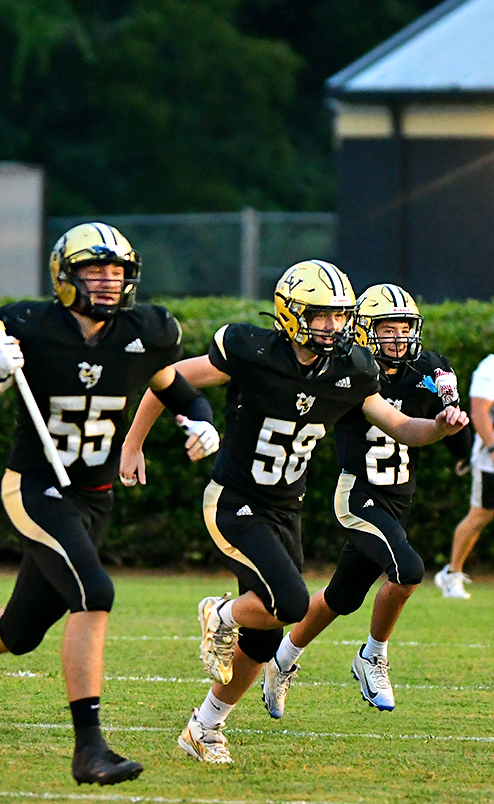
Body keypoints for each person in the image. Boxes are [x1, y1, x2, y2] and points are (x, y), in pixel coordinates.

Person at [0, 222, 219, 786]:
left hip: (93, 498)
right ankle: (89, 749)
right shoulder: (28, 328)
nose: (108, 281)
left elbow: (175, 388)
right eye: (95, 270)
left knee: (20, 632)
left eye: (117, 271)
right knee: (95, 592)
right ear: (64, 277)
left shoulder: (148, 331)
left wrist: (202, 422)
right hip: (35, 488)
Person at [119, 259, 468, 764]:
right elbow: (167, 379)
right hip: (235, 500)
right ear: (290, 313)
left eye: (338, 315)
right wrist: (134, 444)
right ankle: (217, 614)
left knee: (263, 642)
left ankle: (204, 727)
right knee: (291, 601)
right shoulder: (252, 351)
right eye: (319, 315)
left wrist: (439, 427)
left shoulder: (352, 369)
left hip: (286, 510)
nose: (330, 326)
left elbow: (400, 427)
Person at [260, 284, 471, 718]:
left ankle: (280, 660)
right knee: (408, 570)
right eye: (386, 329)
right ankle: (372, 656)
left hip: (398, 499)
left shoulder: (429, 369)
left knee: (343, 597)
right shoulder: (348, 369)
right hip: (358, 495)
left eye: (404, 328)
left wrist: (452, 418)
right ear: (363, 331)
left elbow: (454, 425)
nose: (396, 338)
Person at [435, 352, 494, 599]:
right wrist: (492, 448)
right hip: (489, 461)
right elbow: (479, 412)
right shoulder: (490, 366)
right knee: (480, 514)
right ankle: (452, 574)